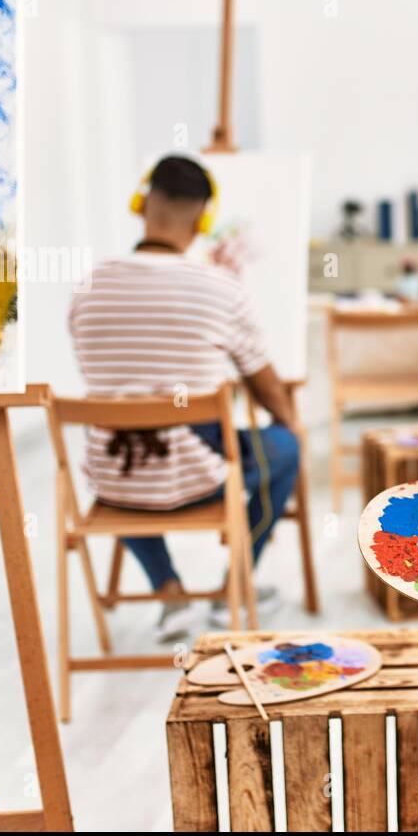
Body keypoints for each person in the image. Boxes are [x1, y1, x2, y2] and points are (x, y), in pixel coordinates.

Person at [68, 155, 301, 643]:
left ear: (141, 203)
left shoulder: (87, 288)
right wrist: (291, 423)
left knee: (121, 444)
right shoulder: (220, 288)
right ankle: (232, 587)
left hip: (116, 483)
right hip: (201, 479)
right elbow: (266, 384)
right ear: (203, 221)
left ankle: (168, 593)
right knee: (283, 448)